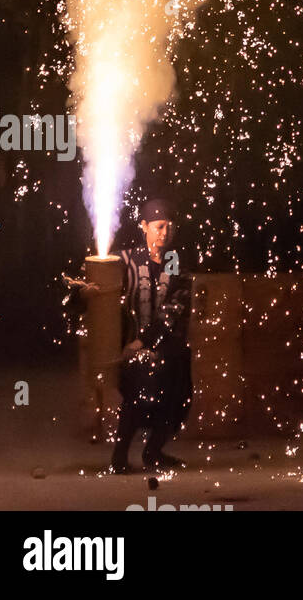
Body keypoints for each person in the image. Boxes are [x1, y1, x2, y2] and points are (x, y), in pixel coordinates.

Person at [110, 198, 193, 473]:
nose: (165, 233)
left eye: (170, 227)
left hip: (165, 348)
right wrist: (83, 291)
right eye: (159, 226)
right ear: (143, 226)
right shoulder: (124, 261)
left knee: (178, 393)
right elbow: (98, 289)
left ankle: (154, 451)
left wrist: (144, 342)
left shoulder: (177, 266)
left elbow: (172, 313)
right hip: (129, 351)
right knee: (138, 390)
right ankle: (119, 457)